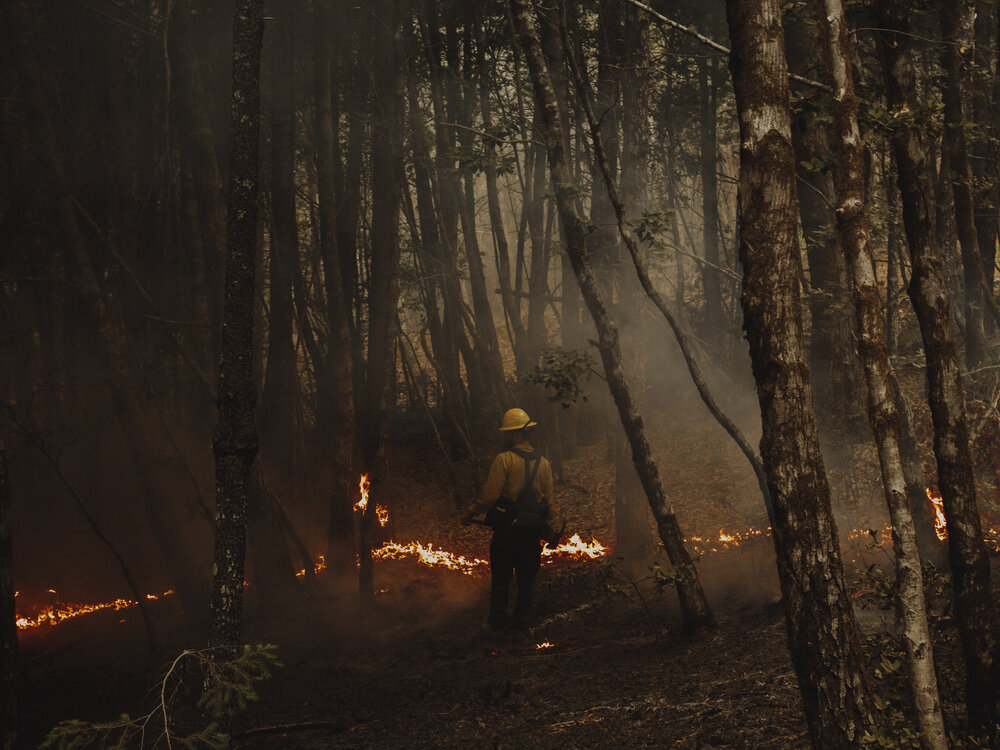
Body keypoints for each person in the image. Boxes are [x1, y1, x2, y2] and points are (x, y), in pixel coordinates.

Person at [463, 408, 557, 634]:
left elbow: (490, 496)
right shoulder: (544, 463)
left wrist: (470, 512)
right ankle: (522, 623)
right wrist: (549, 527)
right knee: (526, 580)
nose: (504, 437)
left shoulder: (503, 460)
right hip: (532, 532)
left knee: (501, 579)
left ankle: (497, 623)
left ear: (515, 434)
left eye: (507, 433)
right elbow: (549, 501)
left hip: (506, 530)